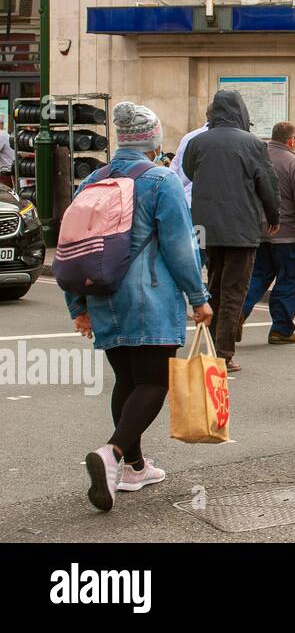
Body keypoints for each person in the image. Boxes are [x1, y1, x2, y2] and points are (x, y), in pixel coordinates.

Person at [68, 102, 212, 511]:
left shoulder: (92, 180)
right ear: (153, 141)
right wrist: (199, 299)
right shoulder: (160, 180)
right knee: (153, 382)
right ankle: (113, 453)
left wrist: (77, 303)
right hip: (149, 296)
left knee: (128, 381)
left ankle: (133, 466)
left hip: (103, 295)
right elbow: (181, 247)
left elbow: (73, 247)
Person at [182, 90, 280, 372]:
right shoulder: (253, 144)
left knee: (213, 285)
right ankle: (223, 353)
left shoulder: (197, 142)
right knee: (234, 292)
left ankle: (212, 346)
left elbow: (189, 173)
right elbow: (268, 185)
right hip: (241, 227)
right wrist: (273, 216)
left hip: (206, 227)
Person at [240, 122, 295, 345]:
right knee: (291, 280)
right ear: (291, 140)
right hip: (289, 235)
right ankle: (281, 329)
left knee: (257, 276)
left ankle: (238, 313)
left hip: (258, 234)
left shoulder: (255, 160)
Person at [170, 106, 210, 207]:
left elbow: (174, 171)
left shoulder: (189, 137)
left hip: (185, 202)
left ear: (207, 115)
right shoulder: (239, 140)